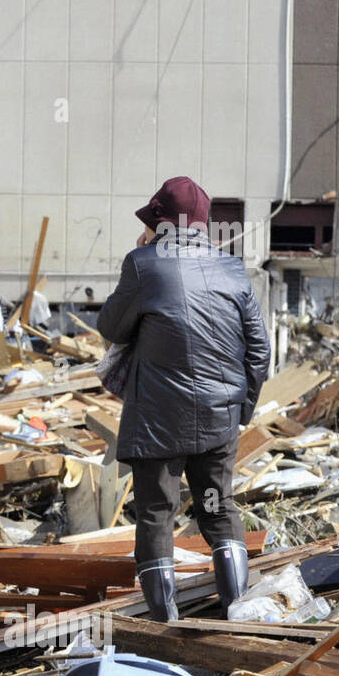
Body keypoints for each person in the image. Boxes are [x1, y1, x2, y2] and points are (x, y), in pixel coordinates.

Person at [96, 177, 271, 621]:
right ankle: (236, 610)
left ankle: (165, 621)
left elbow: (111, 328)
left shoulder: (143, 264)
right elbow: (259, 351)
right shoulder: (233, 270)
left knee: (156, 512)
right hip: (218, 419)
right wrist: (239, 411)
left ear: (159, 221)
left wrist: (143, 252)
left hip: (157, 421)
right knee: (218, 507)